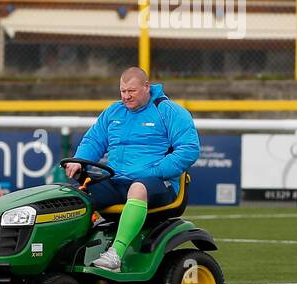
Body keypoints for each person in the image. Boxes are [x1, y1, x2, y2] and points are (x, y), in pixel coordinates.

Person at [65, 67, 199, 271]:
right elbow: (93, 141)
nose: (126, 96)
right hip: (117, 181)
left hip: (158, 184)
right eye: (123, 91)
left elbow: (189, 149)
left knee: (138, 188)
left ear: (146, 87)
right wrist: (79, 160)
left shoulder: (168, 111)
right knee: (75, 195)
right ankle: (67, 251)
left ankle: (115, 255)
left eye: (131, 91)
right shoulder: (113, 112)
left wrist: (155, 171)